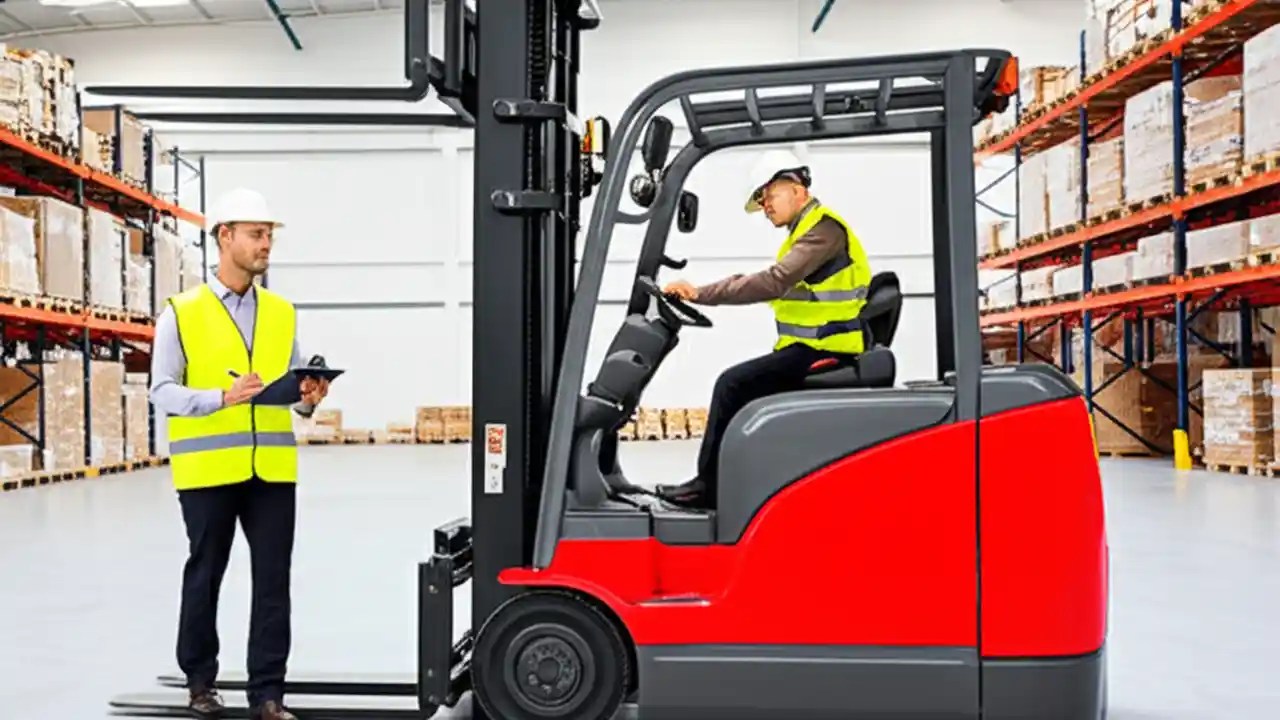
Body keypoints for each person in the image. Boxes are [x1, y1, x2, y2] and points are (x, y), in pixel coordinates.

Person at [149, 187, 329, 720]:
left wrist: (309, 400)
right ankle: (200, 682)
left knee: (274, 579)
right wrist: (220, 399)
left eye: (269, 233)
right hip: (207, 469)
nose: (266, 243)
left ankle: (268, 694)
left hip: (271, 468)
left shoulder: (281, 312)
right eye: (256, 233)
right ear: (225, 237)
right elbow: (160, 390)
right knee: (205, 574)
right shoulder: (181, 313)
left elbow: (291, 391)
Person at [658, 149, 871, 508]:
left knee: (732, 384)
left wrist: (701, 294)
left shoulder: (824, 230)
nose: (765, 205)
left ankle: (707, 487)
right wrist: (702, 294)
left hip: (826, 348)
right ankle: (738, 485)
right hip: (809, 346)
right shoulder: (806, 231)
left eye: (768, 195)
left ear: (797, 189)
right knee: (744, 387)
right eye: (761, 198)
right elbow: (774, 283)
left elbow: (772, 282)